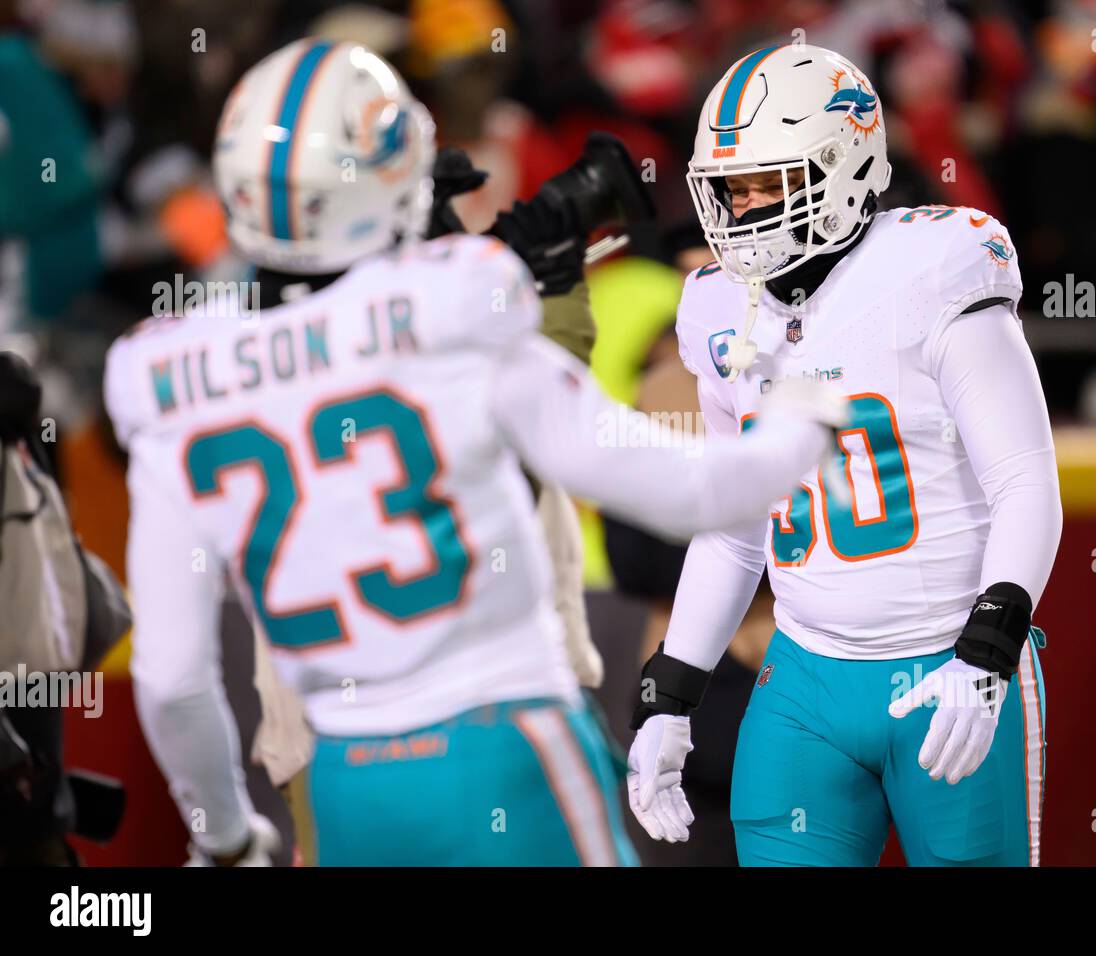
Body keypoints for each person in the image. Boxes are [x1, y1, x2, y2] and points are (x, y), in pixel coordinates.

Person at [103, 39, 841, 867]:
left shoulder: (174, 378)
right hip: (505, 745)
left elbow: (171, 679)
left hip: (347, 776)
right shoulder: (453, 306)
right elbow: (695, 494)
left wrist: (225, 838)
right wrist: (803, 414)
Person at [625, 44, 1062, 867]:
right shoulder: (719, 309)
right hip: (805, 681)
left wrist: (989, 648)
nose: (742, 208)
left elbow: (1025, 482)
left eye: (767, 184)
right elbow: (732, 522)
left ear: (841, 166)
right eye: (730, 188)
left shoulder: (932, 269)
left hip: (948, 661)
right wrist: (670, 691)